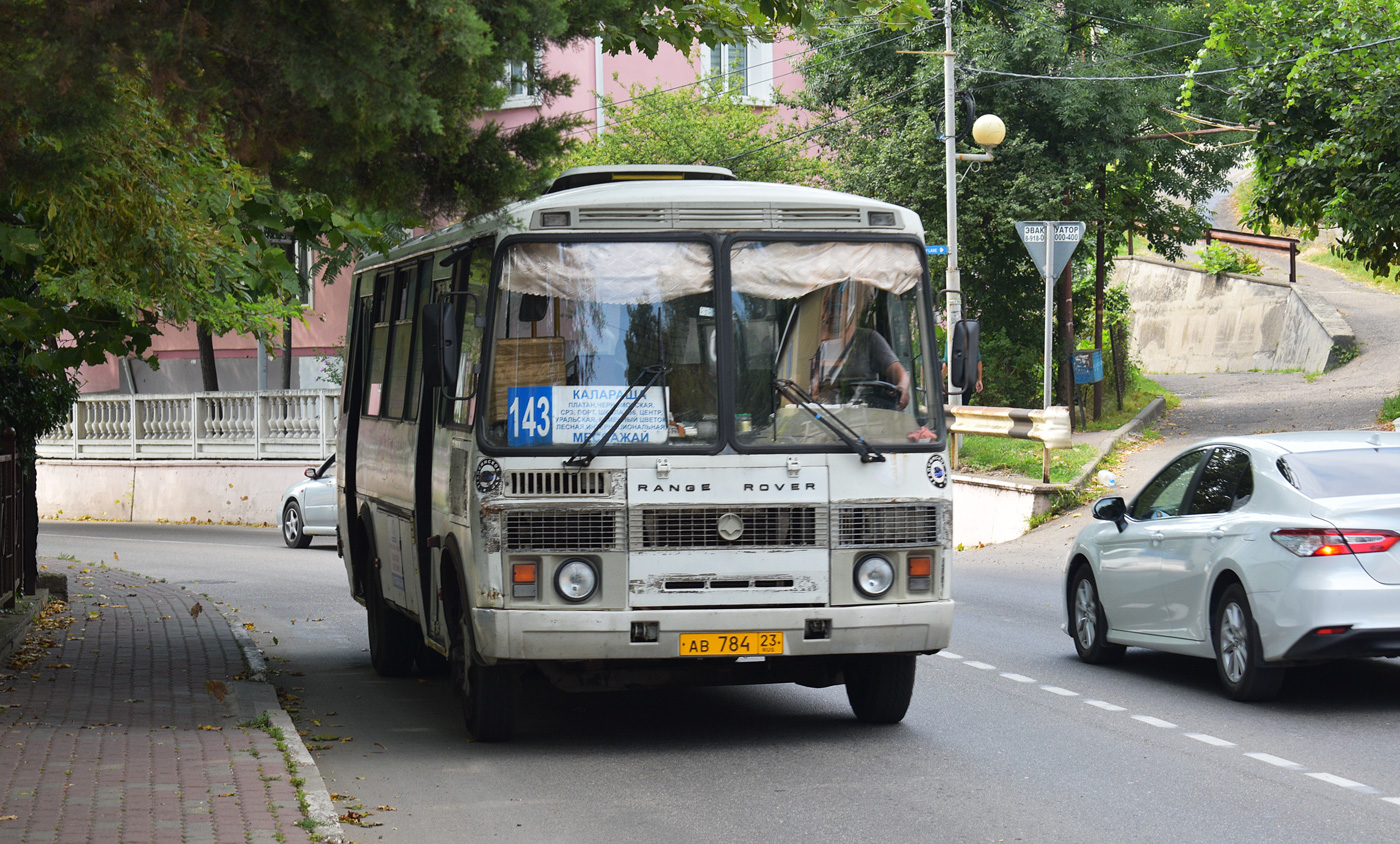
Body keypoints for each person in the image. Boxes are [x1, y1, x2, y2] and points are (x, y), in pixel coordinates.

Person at [808, 282, 911, 409]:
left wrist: (903, 387)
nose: (833, 312)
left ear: (850, 310)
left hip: (865, 418)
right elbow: (814, 394)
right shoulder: (820, 348)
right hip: (829, 420)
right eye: (829, 306)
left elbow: (899, 372)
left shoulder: (869, 339)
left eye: (839, 307)